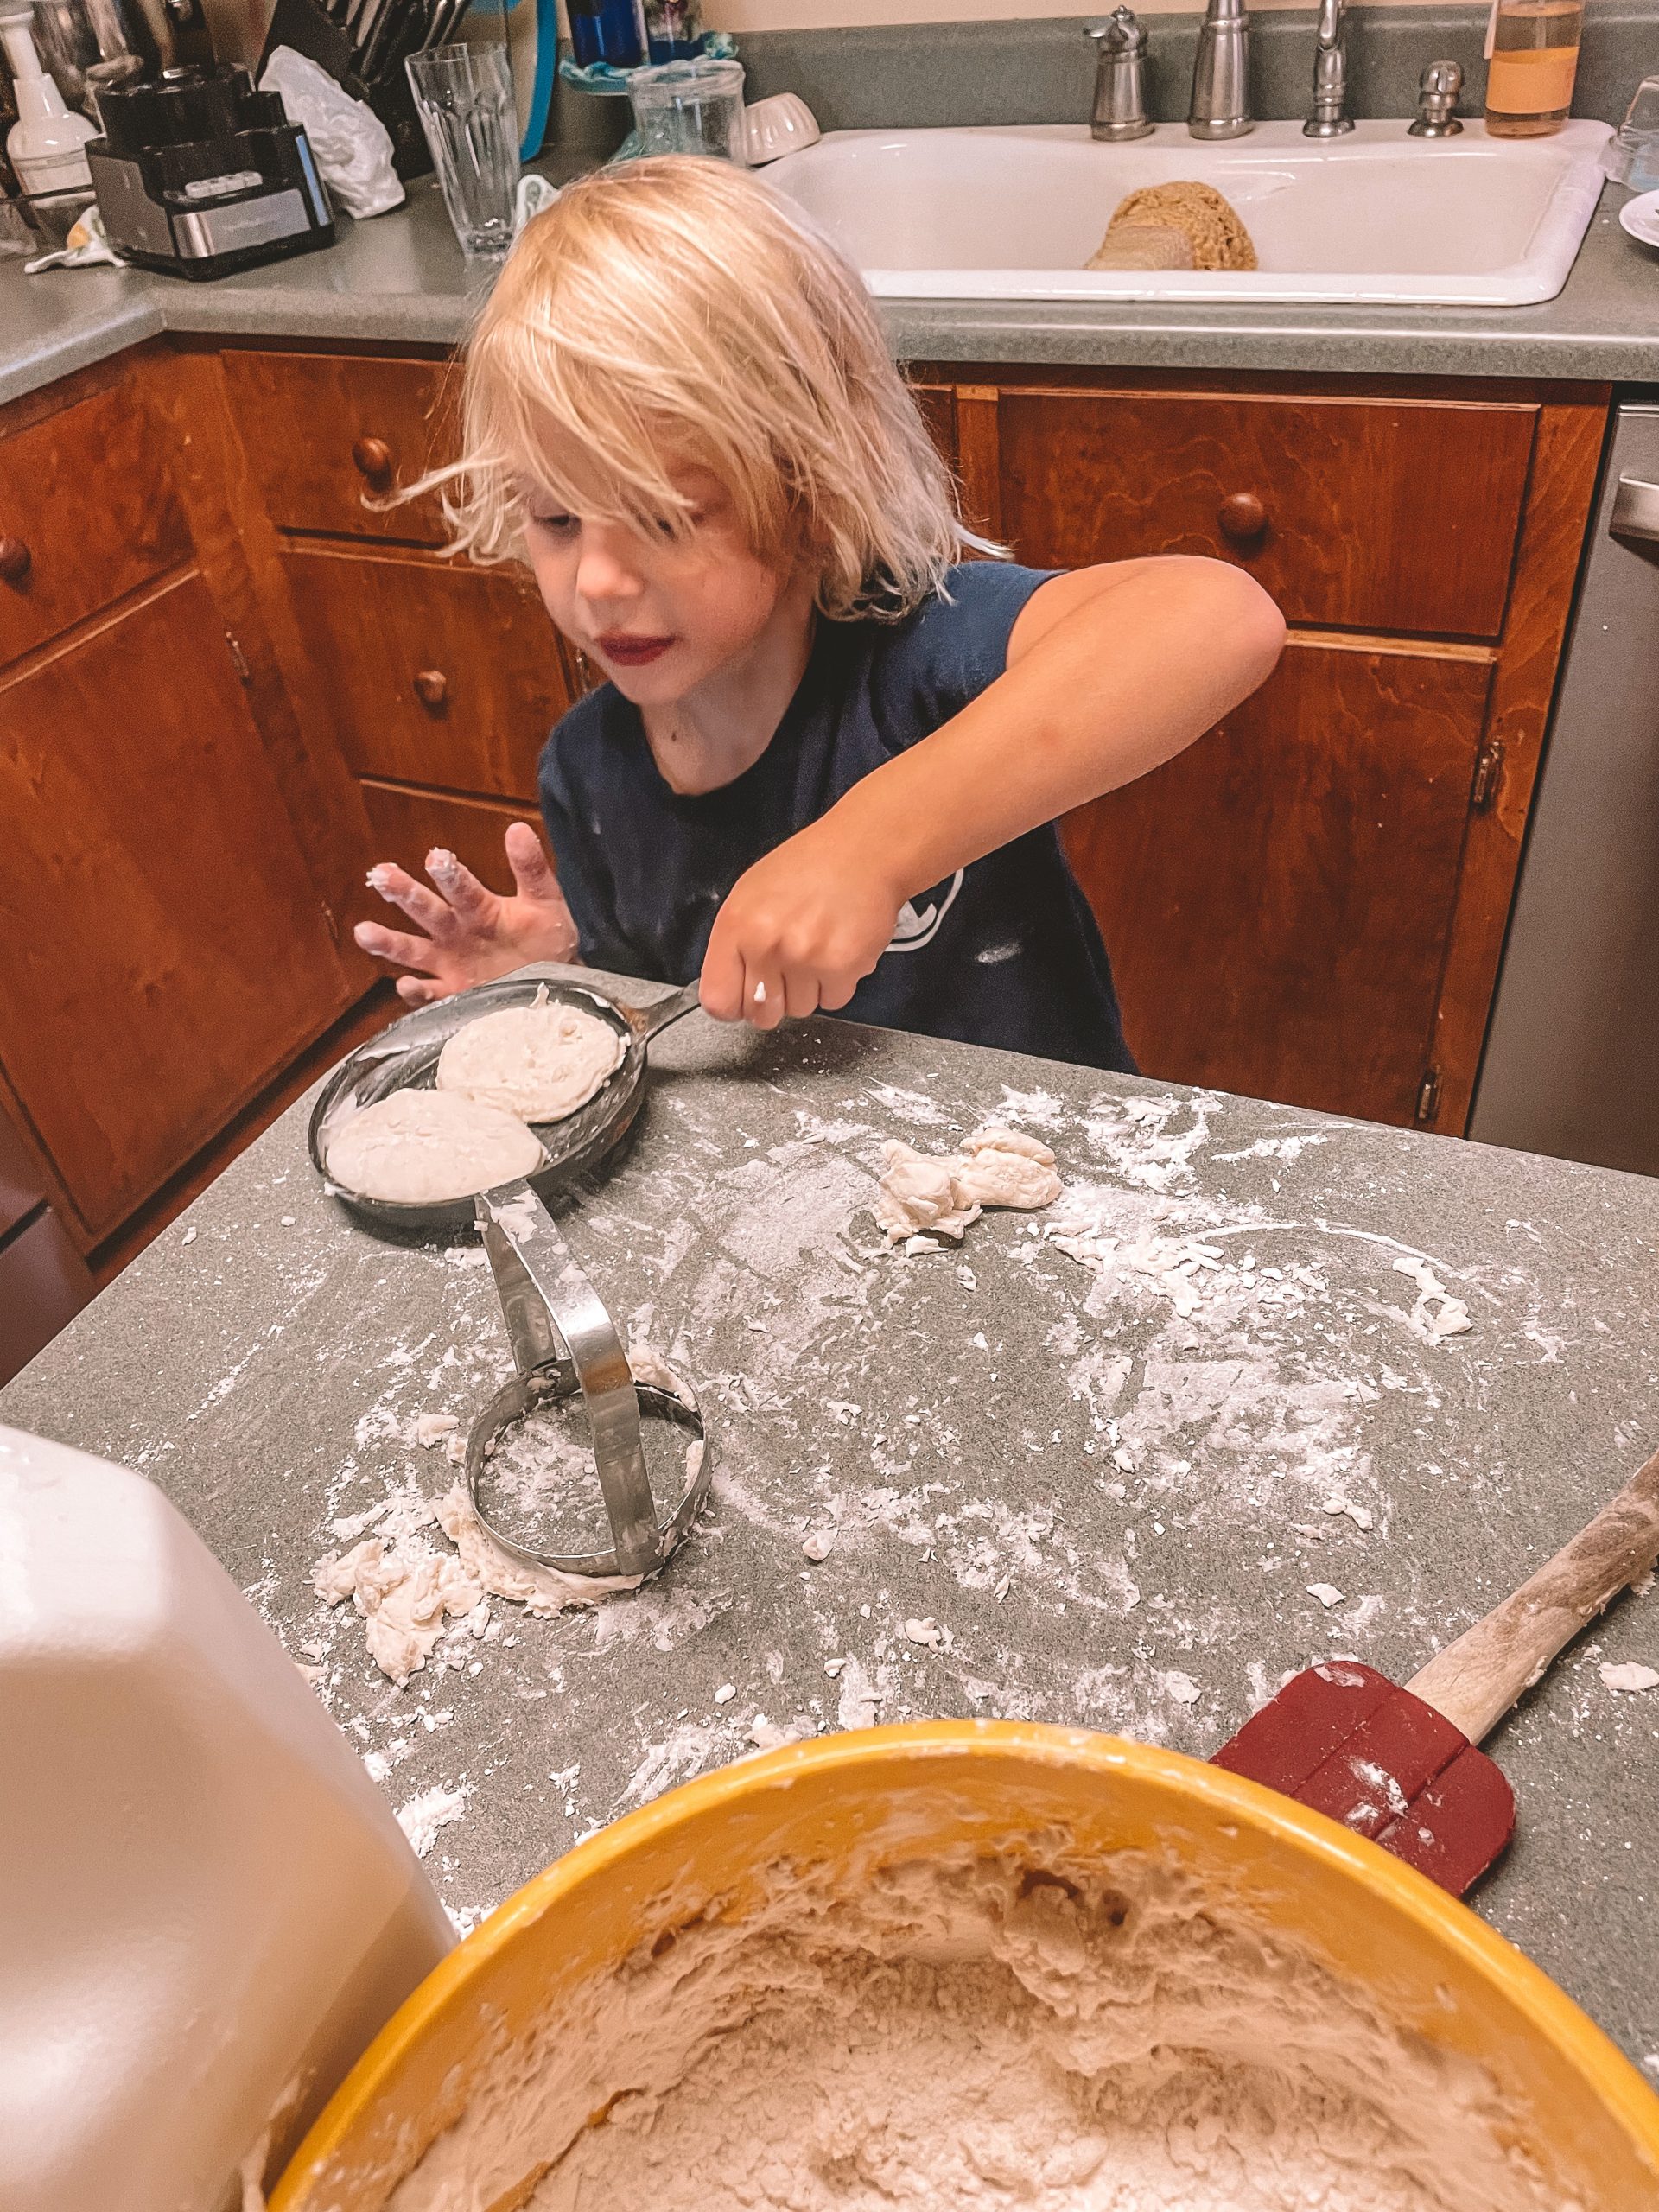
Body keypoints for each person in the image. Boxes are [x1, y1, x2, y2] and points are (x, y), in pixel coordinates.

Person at [355, 157, 1284, 1069]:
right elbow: (677, 1050)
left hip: (1042, 1151)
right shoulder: (585, 771)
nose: (595, 580)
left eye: (665, 518)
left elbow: (1217, 616)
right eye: (556, 520)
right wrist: (572, 990)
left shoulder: (921, 653)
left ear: (809, 488)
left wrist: (868, 847)